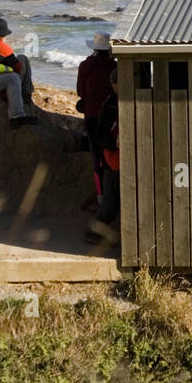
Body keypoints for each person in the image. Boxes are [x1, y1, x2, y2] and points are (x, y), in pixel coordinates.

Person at [86, 67, 122, 245]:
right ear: (114, 85)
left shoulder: (115, 102)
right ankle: (94, 232)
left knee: (113, 198)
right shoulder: (110, 105)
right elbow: (100, 134)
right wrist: (115, 144)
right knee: (113, 199)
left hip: (115, 158)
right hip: (112, 158)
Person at [76, 32, 113, 200]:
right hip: (110, 115)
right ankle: (112, 191)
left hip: (91, 114)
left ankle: (100, 195)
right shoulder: (115, 67)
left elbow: (80, 91)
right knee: (110, 152)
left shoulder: (85, 65)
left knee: (95, 154)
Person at [0, 17, 34, 106]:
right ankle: (26, 95)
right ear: (3, 36)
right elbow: (18, 68)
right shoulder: (4, 49)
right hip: (4, 88)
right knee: (22, 58)